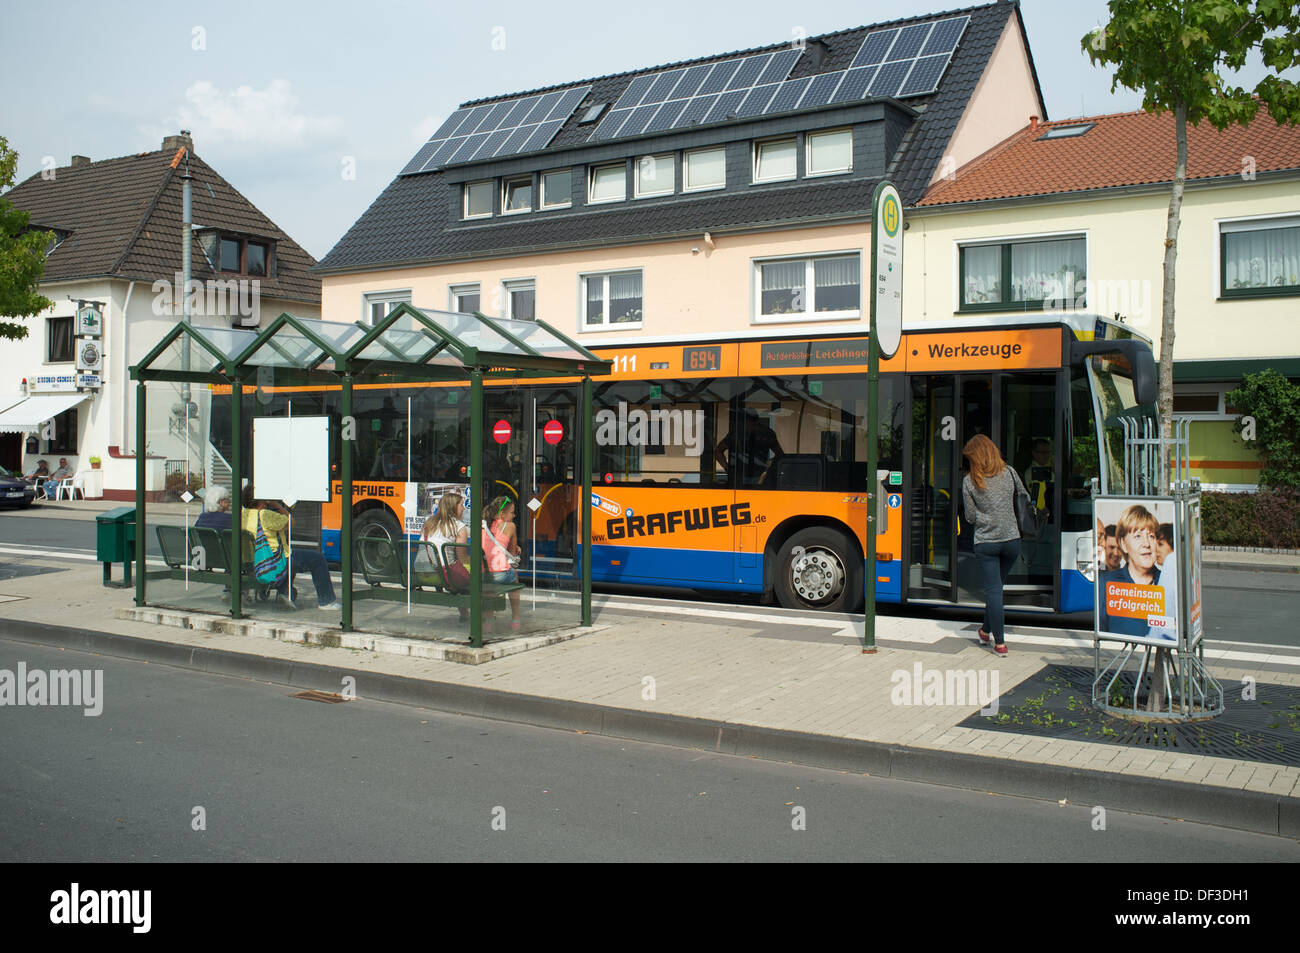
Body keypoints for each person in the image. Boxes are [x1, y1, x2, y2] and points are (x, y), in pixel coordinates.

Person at [961, 434, 1028, 656]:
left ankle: (999, 643)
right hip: (1012, 541)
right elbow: (1024, 497)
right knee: (997, 589)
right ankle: (985, 630)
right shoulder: (1009, 472)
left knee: (993, 590)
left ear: (975, 457)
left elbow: (970, 516)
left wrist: (985, 518)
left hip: (986, 543)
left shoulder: (970, 481)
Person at [240, 488, 340, 611]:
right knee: (317, 558)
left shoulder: (242, 514)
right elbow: (291, 522)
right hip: (273, 561)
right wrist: (276, 505)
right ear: (262, 499)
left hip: (252, 562)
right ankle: (327, 601)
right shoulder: (265, 515)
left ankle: (285, 592)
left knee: (294, 558)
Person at [1098, 504, 1167, 639]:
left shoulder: (1169, 582)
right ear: (1124, 544)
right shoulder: (1106, 583)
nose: (1146, 543)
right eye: (1138, 536)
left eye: (1151, 536)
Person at [421, 489, 470, 623]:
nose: (464, 508)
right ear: (454, 508)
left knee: (457, 571)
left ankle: (464, 614)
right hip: (446, 574)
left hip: (425, 572)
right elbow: (463, 558)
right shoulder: (459, 526)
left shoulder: (429, 523)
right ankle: (484, 615)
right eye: (461, 505)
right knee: (478, 573)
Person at [482, 495, 522, 631]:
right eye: (512, 512)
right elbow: (512, 552)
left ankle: (488, 620)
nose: (514, 515)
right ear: (502, 514)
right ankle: (515, 617)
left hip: (482, 574)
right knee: (514, 576)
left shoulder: (483, 525)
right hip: (499, 574)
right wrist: (516, 548)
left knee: (488, 582)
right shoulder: (510, 526)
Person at [714, 411, 783, 484]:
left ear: (757, 421)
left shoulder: (766, 433)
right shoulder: (736, 433)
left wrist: (770, 471)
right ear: (744, 422)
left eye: (754, 422)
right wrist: (728, 469)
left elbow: (780, 455)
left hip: (760, 476)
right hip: (739, 477)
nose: (752, 425)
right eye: (749, 422)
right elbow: (718, 451)